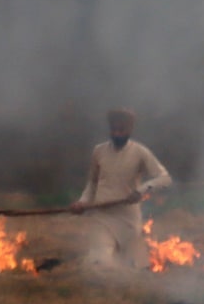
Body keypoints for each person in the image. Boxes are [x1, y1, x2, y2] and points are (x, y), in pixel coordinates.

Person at [69, 108, 172, 269]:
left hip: (128, 220)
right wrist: (82, 202)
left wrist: (141, 191)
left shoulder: (140, 152)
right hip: (102, 218)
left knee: (137, 268)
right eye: (114, 130)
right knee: (100, 264)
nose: (117, 134)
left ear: (130, 129)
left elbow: (164, 178)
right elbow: (92, 183)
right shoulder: (99, 151)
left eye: (121, 130)